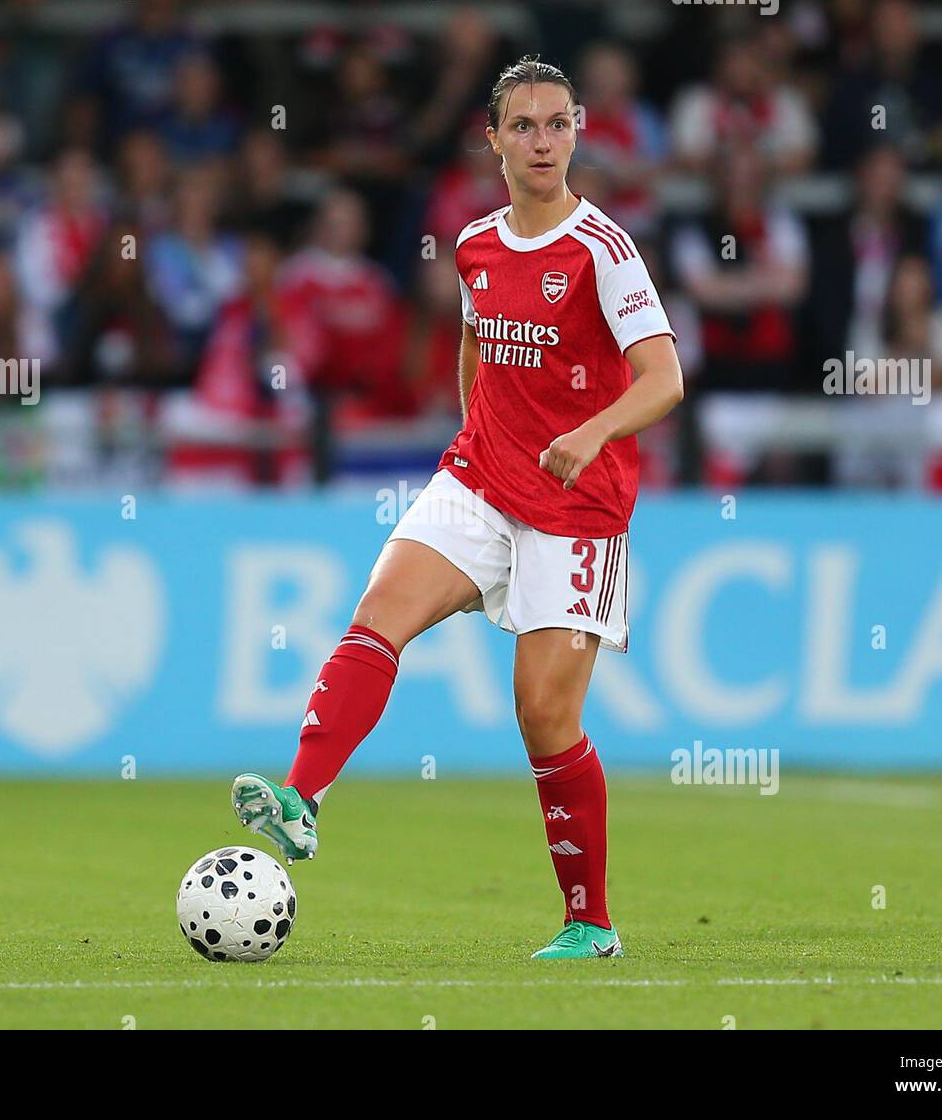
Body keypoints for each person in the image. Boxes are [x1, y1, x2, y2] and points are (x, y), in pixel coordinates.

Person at [230, 57, 683, 961]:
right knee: (377, 616)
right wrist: (477, 430)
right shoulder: (475, 244)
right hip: (478, 479)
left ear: (578, 132)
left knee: (545, 721)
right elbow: (478, 347)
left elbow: (664, 378)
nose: (543, 141)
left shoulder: (603, 250)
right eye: (525, 126)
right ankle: (302, 799)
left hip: (575, 506)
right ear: (495, 141)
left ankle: (589, 923)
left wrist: (591, 434)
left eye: (558, 124)